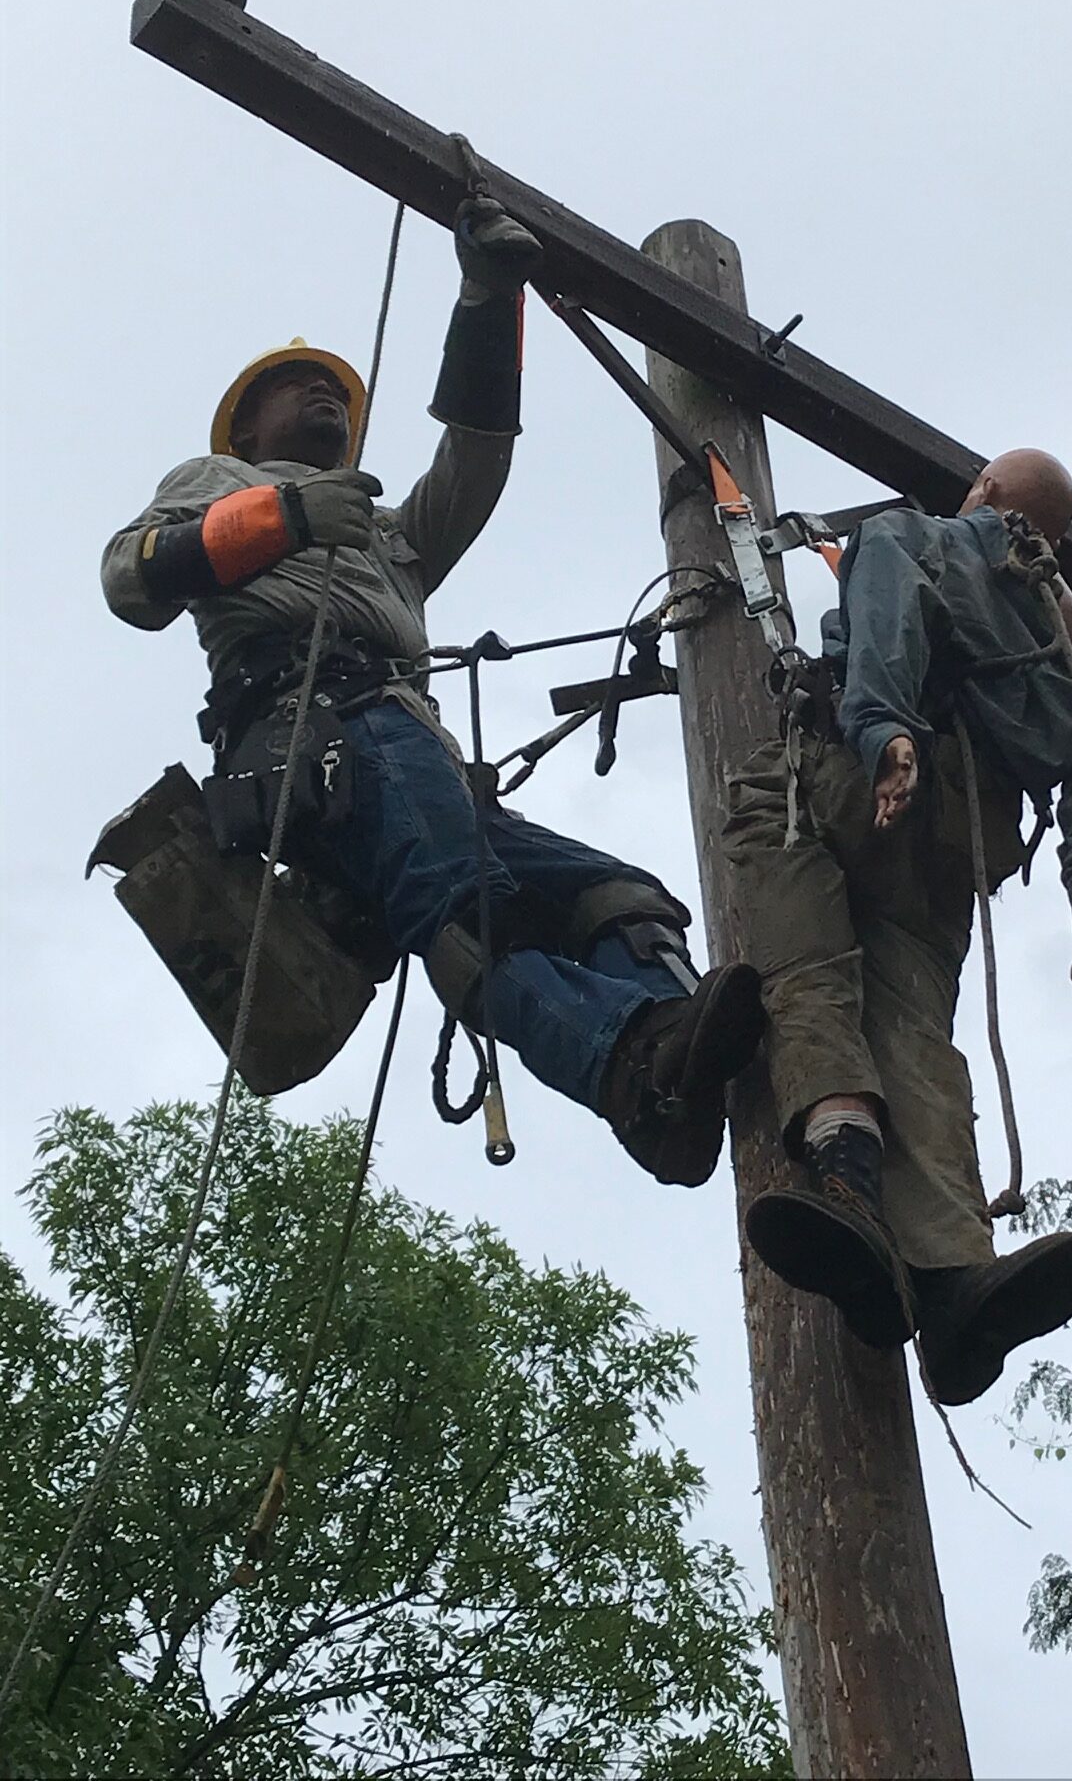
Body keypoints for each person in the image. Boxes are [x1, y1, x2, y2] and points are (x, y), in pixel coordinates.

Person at [102, 198, 762, 1185]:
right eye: (294, 387)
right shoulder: (216, 478)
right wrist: (282, 517)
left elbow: (477, 455)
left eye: (335, 390)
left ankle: (674, 1043)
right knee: (465, 912)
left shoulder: (386, 541)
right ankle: (625, 1064)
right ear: (247, 426)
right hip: (317, 733)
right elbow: (130, 577)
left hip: (412, 762)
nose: (324, 396)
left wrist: (488, 299)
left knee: (619, 896)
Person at [723, 449, 1072, 1403]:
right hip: (960, 842)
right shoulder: (1064, 630)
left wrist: (883, 731)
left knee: (809, 969)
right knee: (916, 1027)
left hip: (854, 786)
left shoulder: (933, 533)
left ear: (992, 492)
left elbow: (883, 589)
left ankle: (850, 1183)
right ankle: (957, 1285)